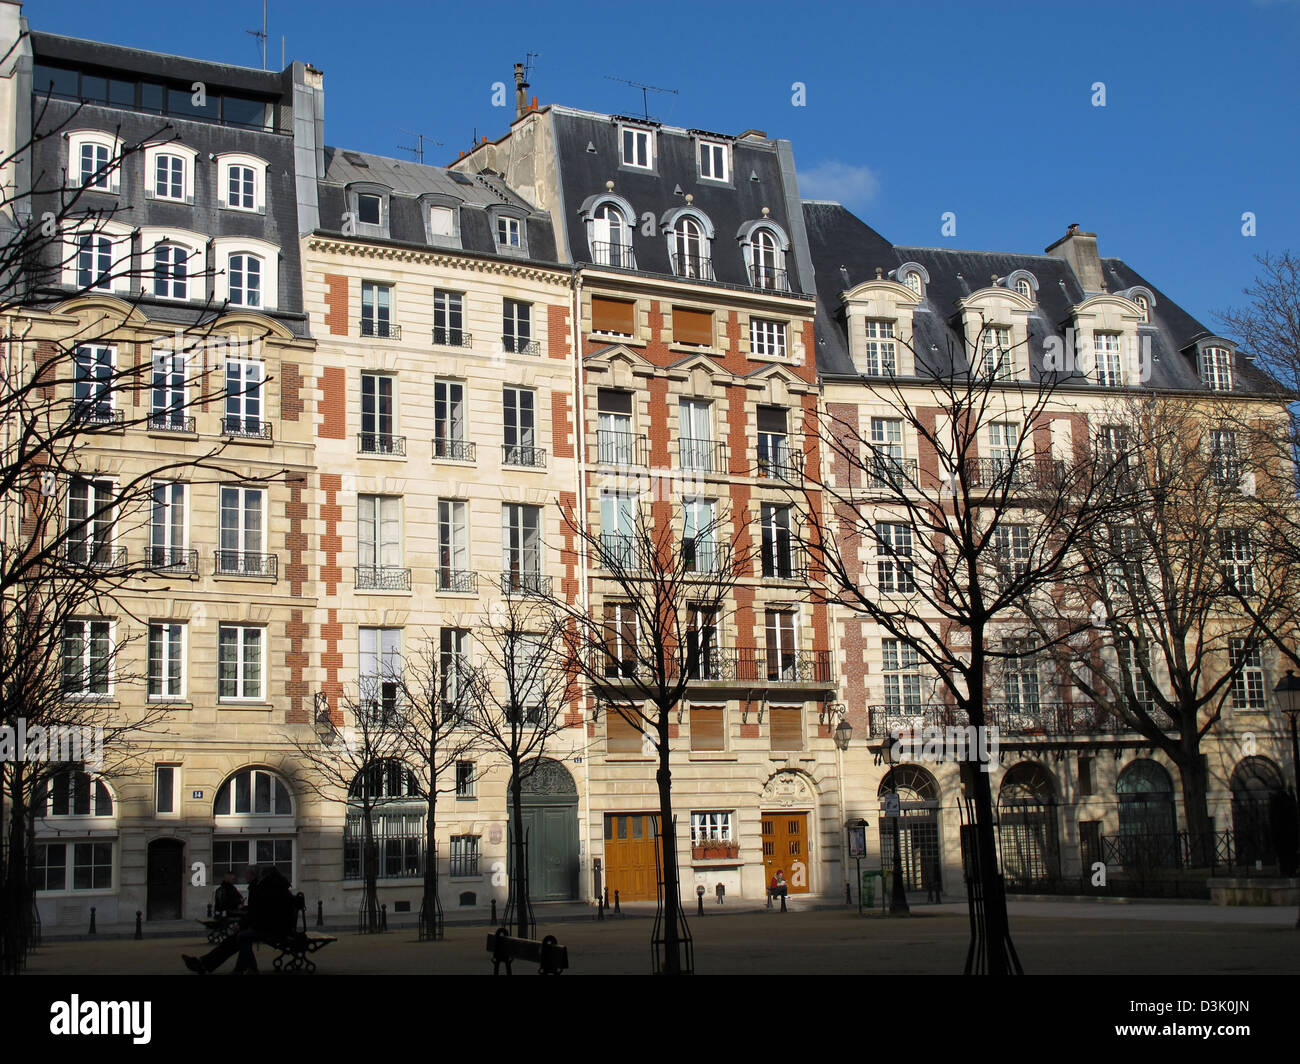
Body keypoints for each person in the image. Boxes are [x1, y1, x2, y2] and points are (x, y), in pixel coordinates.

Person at [183, 867, 296, 974]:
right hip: (273, 927)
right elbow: (261, 912)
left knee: (240, 937)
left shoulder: (270, 889)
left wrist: (242, 924)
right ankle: (206, 963)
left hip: (271, 929)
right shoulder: (277, 889)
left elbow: (259, 913)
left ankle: (211, 964)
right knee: (236, 939)